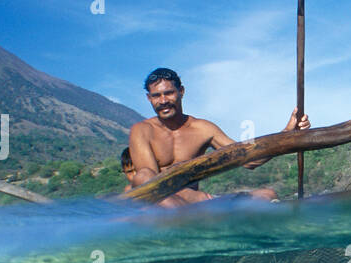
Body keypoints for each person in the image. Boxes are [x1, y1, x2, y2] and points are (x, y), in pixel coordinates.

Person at [123, 67, 309, 206]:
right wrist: (193, 199)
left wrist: (287, 133)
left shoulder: (202, 128)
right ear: (149, 98)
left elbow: (248, 159)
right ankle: (188, 220)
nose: (163, 101)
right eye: (156, 96)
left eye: (169, 93)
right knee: (144, 176)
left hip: (198, 205)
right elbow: (149, 182)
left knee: (267, 194)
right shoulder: (142, 130)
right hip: (164, 207)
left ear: (181, 92)